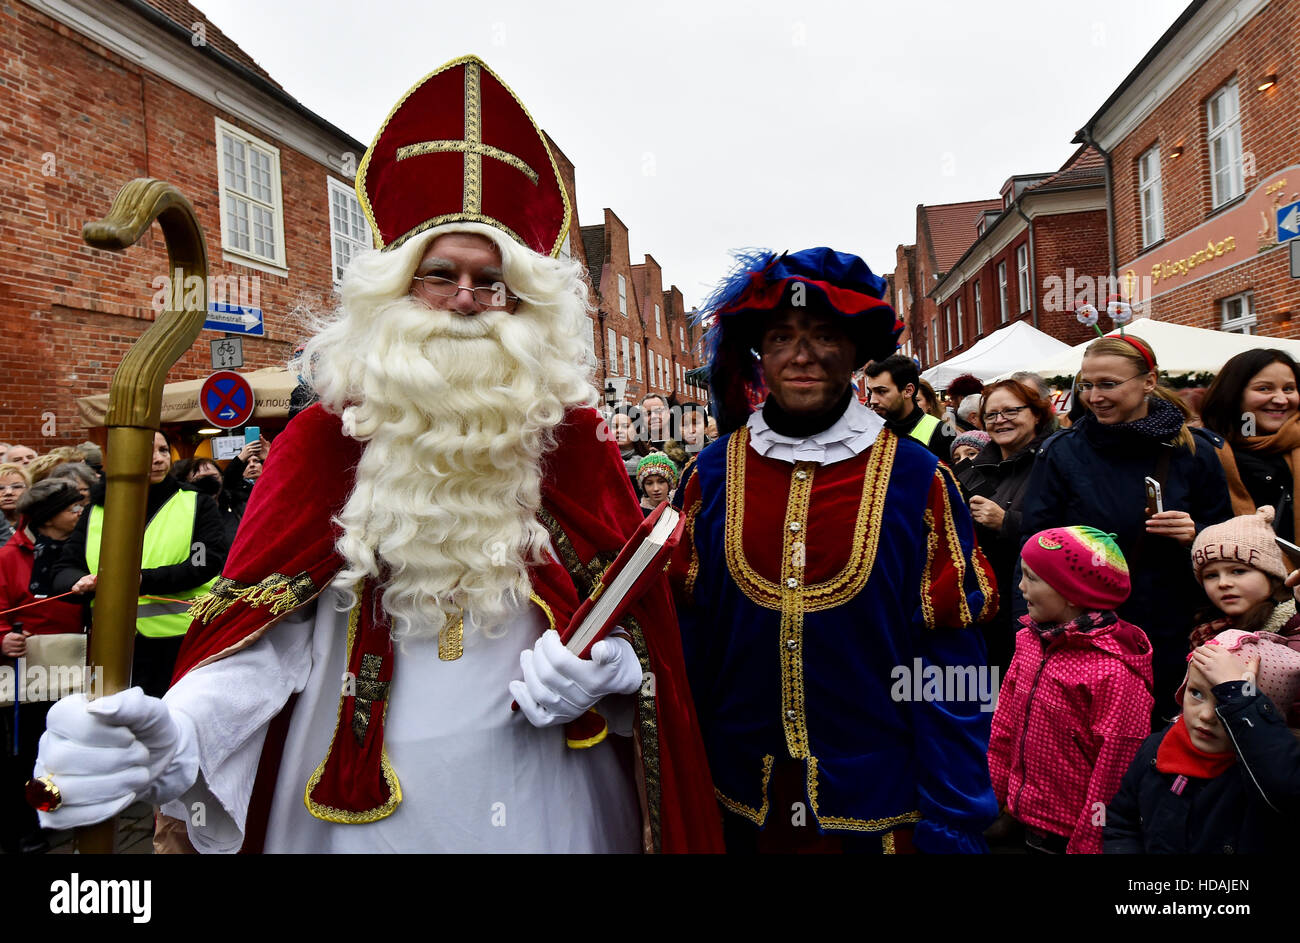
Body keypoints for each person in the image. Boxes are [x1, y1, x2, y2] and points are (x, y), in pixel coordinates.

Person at [30, 56, 721, 854]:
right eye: (440, 275)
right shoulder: (327, 438)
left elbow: (642, 632)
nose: (466, 298)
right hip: (354, 817)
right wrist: (176, 730)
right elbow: (265, 646)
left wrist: (615, 677)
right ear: (395, 289)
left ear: (524, 302)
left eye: (491, 282)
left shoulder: (571, 444)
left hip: (548, 801)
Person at [671, 246, 998, 853]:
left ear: (854, 352)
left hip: (880, 808)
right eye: (781, 336)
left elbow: (949, 662)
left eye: (824, 335)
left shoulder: (917, 478)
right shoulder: (710, 476)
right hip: (739, 804)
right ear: (759, 354)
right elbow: (692, 640)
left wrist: (954, 815)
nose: (801, 354)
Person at [1019, 335, 1232, 714]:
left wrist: (1196, 534)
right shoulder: (1062, 452)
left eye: (1108, 384)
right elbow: (1036, 544)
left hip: (1176, 628)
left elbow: (1226, 540)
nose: (1094, 396)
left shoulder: (1194, 451)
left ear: (1149, 381)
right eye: (1086, 385)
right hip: (1091, 633)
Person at [987, 527, 1152, 854]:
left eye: (1032, 578)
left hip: (1067, 839)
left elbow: (1114, 770)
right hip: (1020, 821)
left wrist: (1089, 844)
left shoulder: (1114, 671)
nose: (1020, 587)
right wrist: (992, 797)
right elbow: (1005, 725)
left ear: (1073, 592)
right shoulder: (1030, 643)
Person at [50, 431, 227, 698]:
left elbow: (203, 564)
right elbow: (64, 569)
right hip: (111, 645)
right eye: (147, 451)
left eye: (163, 450)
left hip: (179, 641)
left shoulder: (195, 502)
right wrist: (78, 582)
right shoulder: (97, 508)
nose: (157, 459)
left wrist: (142, 579)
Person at [1103, 630, 1300, 853]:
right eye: (1196, 693)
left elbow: (1285, 789)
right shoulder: (1156, 748)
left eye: (1227, 702)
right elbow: (1120, 823)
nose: (1206, 715)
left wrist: (1240, 695)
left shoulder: (1265, 778)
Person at [0, 479, 87, 854]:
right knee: (26, 755)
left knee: (66, 750)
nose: (80, 514)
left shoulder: (83, 549)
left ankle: (61, 816)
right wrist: (2, 638)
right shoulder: (8, 556)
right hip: (28, 673)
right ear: (49, 518)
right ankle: (23, 830)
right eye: (73, 508)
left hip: (76, 668)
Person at [955, 379, 1056, 672]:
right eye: (991, 415)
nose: (1000, 421)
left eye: (1011, 411)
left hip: (1031, 608)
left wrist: (1007, 522)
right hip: (984, 609)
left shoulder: (1051, 463)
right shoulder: (971, 471)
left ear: (1036, 414)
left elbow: (1069, 534)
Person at [1200, 349, 1300, 542]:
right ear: (1234, 393)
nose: (1281, 399)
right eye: (1264, 389)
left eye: (1289, 388)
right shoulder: (1203, 453)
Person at [1188, 507, 1300, 648]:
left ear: (1271, 575)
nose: (1223, 583)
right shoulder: (1205, 633)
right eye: (1211, 575)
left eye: (1238, 571)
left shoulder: (1293, 629)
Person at [864, 354, 951, 461]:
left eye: (882, 391)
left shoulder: (942, 433)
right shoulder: (869, 432)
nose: (872, 400)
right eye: (870, 392)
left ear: (908, 391)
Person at [0, 462, 30, 546]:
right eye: (0, 488)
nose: (8, 493)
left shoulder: (38, 520)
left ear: (28, 489)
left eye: (17, 487)